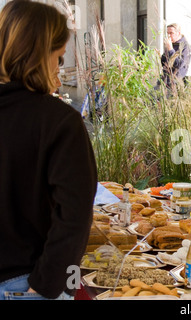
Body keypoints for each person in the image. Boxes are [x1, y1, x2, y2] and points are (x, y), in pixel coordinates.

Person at [0, 1, 98, 300]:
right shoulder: (58, 120)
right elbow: (75, 216)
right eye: (58, 57)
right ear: (41, 55)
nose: (59, 67)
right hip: (28, 282)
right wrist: (46, 287)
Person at [158, 23, 191, 93]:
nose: (169, 36)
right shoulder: (171, 44)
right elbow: (164, 63)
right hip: (165, 80)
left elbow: (179, 64)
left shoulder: (185, 46)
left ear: (178, 33)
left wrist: (170, 49)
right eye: (168, 33)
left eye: (171, 33)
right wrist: (160, 56)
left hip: (175, 83)